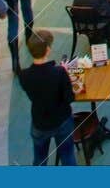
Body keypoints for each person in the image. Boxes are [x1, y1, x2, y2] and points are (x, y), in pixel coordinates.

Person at [17, 31, 78, 165]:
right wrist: (66, 77)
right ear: (48, 49)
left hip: (39, 122)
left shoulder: (24, 75)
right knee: (68, 157)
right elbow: (69, 98)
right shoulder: (59, 72)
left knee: (39, 159)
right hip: (62, 120)